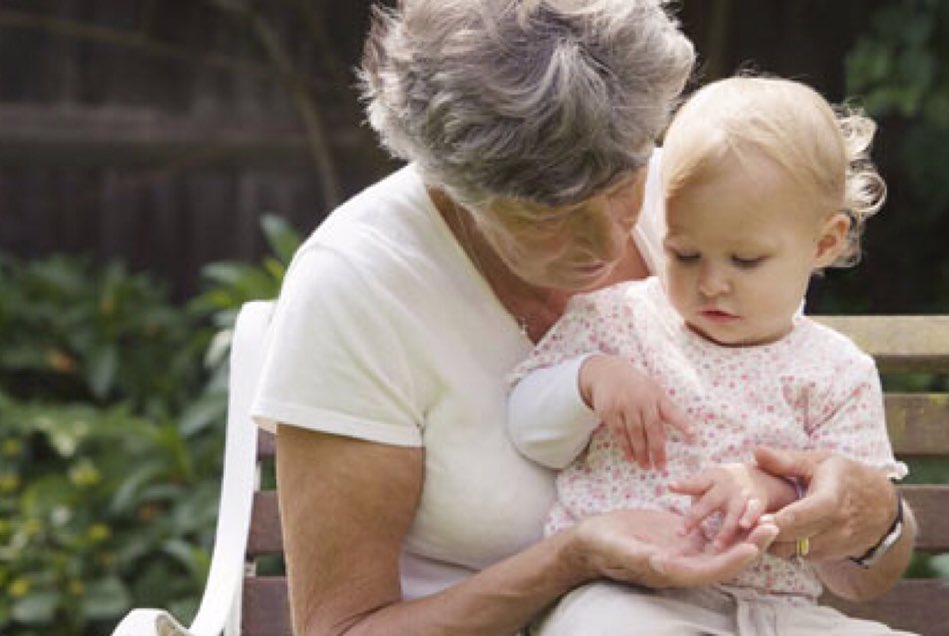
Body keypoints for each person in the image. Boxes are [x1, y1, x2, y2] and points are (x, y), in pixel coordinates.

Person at [249, 1, 914, 633]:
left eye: (622, 184)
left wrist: (866, 516)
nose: (608, 243)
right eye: (547, 216)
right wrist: (571, 559)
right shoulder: (359, 286)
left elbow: (853, 561)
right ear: (451, 186)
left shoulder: (702, 200)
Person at [507, 75, 916, 635]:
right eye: (685, 253)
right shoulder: (614, 321)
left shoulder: (837, 372)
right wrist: (587, 381)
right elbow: (528, 430)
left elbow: (842, 512)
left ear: (824, 243)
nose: (711, 284)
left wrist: (772, 492)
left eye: (744, 260)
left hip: (781, 612)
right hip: (625, 596)